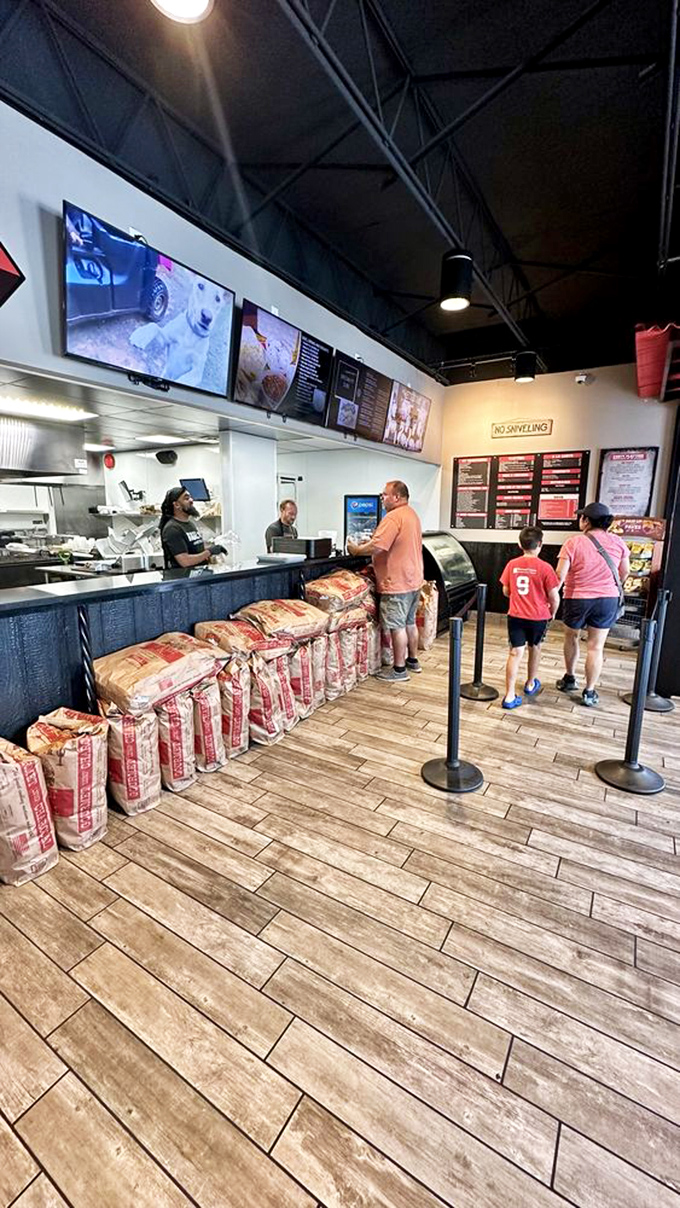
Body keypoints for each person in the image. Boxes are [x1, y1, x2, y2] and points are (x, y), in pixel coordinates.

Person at [347, 480, 423, 682]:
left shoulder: (393, 517)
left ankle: (399, 670)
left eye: (385, 495)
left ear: (397, 497)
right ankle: (412, 661)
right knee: (409, 622)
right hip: (414, 580)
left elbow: (378, 547)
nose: (382, 498)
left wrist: (356, 550)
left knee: (397, 626)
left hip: (396, 581)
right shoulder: (411, 515)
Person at [555, 501, 630, 707]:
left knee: (571, 637)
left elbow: (559, 575)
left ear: (586, 520)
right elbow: (624, 573)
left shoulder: (573, 542)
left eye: (582, 517)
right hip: (607, 599)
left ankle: (569, 679)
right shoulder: (618, 542)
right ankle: (589, 691)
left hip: (577, 598)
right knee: (596, 647)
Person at [500, 526, 560, 709]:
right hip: (538, 617)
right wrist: (553, 613)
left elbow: (506, 590)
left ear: (519, 544)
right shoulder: (546, 568)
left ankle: (509, 696)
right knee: (535, 648)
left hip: (516, 616)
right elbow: (554, 596)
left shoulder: (512, 564)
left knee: (515, 652)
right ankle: (530, 683)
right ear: (540, 545)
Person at [159, 486, 224, 569]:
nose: (191, 501)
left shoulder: (190, 524)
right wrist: (209, 552)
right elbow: (185, 561)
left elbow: (196, 548)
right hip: (184, 579)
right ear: (176, 505)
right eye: (186, 498)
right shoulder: (172, 528)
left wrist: (213, 548)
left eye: (190, 497)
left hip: (197, 575)